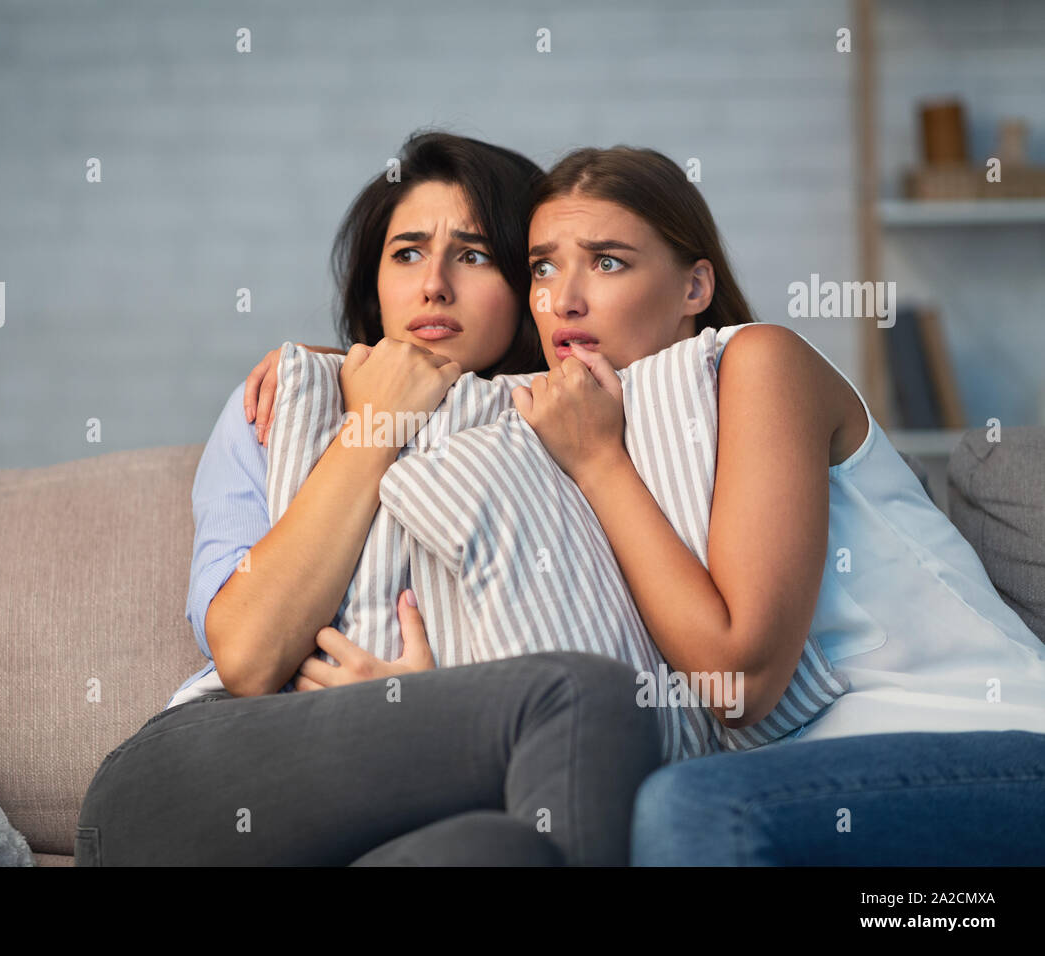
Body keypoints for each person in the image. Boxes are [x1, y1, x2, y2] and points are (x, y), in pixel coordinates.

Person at [247, 145, 1045, 866]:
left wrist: (600, 463)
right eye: (544, 269)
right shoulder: (583, 419)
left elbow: (738, 681)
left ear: (694, 285)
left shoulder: (760, 365)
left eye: (609, 263)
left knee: (680, 808)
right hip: (806, 785)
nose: (566, 299)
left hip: (990, 743)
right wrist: (327, 366)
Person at [74, 131, 662, 867]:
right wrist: (373, 425)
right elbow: (250, 657)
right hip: (193, 786)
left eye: (474, 255)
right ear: (373, 285)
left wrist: (426, 705)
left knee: (500, 852)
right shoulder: (278, 408)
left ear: (532, 289)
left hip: (432, 808)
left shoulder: (587, 427)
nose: (433, 285)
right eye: (407, 253)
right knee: (584, 698)